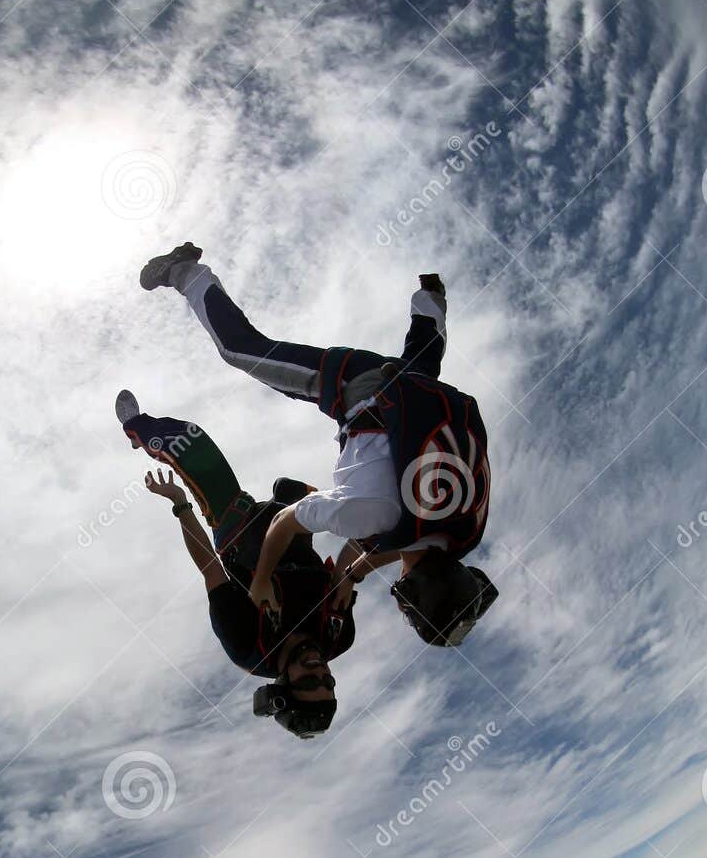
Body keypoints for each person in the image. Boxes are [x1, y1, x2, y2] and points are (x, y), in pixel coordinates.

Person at [138, 244, 497, 647]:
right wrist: (260, 584)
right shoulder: (369, 516)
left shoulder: (458, 531)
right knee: (241, 350)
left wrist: (349, 574)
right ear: (410, 596)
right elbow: (283, 523)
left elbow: (395, 547)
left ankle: (430, 297)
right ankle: (184, 271)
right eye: (407, 609)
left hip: (413, 388)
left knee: (425, 356)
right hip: (355, 388)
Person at [114, 394, 356, 739]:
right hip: (295, 528)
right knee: (292, 489)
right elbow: (346, 569)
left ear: (283, 683)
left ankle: (137, 429)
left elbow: (211, 570)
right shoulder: (339, 636)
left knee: (195, 446)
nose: (319, 670)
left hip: (239, 532)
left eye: (309, 681)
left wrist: (181, 504)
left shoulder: (248, 645)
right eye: (328, 681)